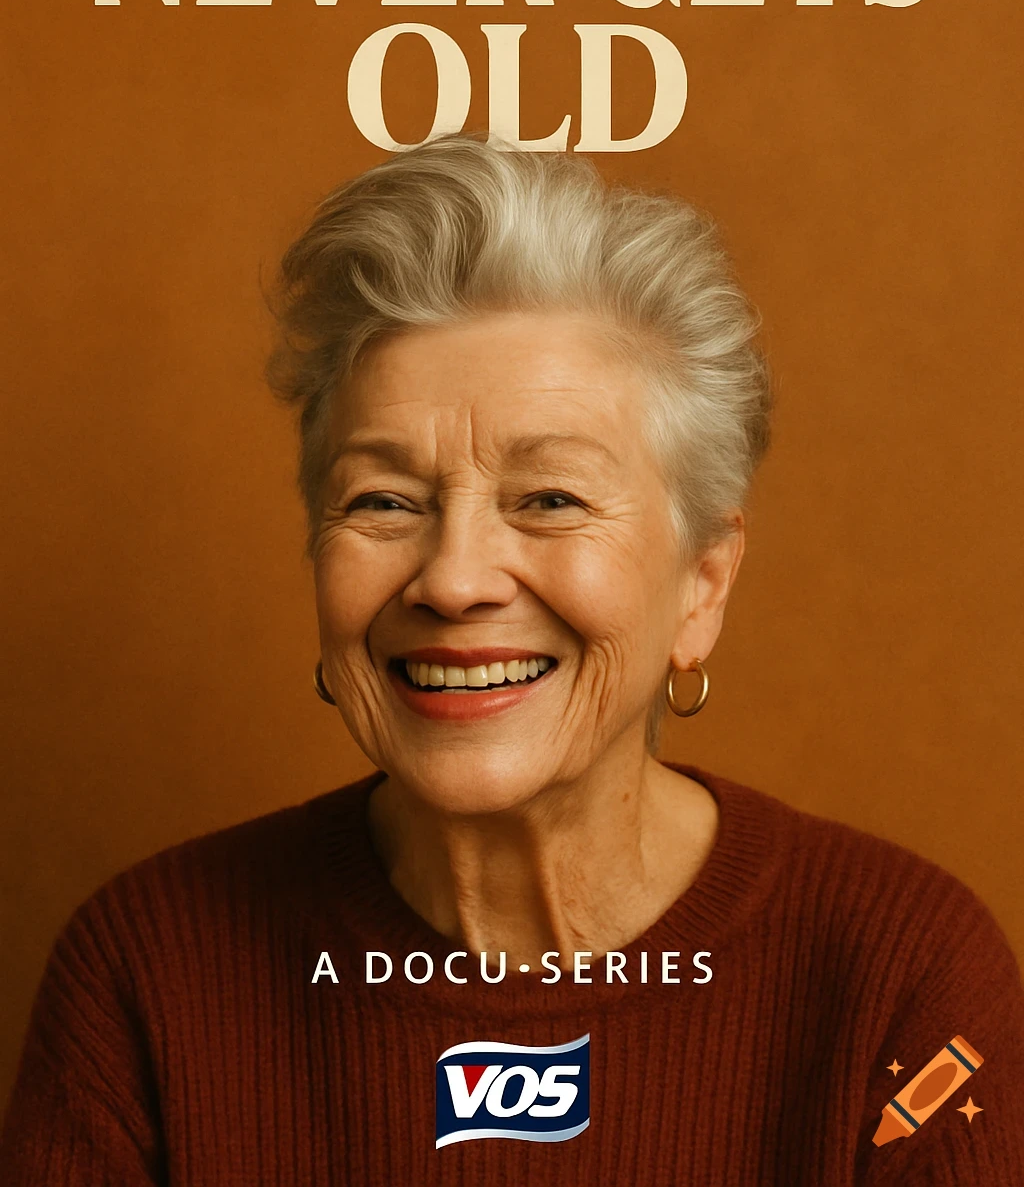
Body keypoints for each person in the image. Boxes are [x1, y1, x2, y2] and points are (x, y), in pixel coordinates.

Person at [2, 135, 1022, 1185]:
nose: (452, 579)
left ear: (701, 586)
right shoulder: (146, 973)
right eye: (382, 502)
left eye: (549, 500)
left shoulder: (899, 976)